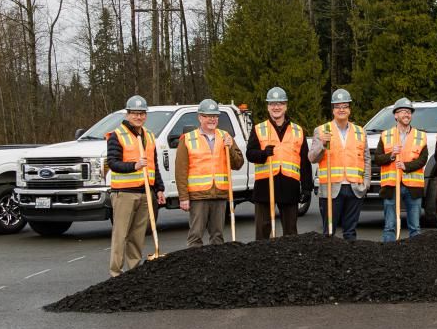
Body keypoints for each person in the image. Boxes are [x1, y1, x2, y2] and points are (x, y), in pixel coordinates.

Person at [106, 95, 165, 277]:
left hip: (145, 192)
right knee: (121, 234)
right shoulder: (117, 135)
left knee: (137, 235)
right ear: (128, 114)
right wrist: (134, 165)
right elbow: (113, 163)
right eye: (135, 113)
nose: (138, 117)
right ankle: (116, 273)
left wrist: (159, 188)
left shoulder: (149, 136)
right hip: (124, 193)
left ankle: (133, 272)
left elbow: (154, 165)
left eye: (142, 113)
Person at [175, 99, 244, 247]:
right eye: (208, 116)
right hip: (198, 196)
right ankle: (194, 260)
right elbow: (181, 171)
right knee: (195, 236)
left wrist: (230, 148)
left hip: (220, 194)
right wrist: (183, 197)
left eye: (215, 116)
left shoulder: (225, 136)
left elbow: (238, 164)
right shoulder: (187, 139)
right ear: (200, 117)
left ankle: (217, 262)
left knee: (217, 237)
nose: (212, 119)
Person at [246, 87, 313, 239]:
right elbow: (250, 154)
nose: (276, 107)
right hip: (265, 186)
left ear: (286, 106)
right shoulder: (259, 129)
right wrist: (263, 154)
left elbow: (304, 162)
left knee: (290, 233)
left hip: (290, 186)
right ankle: (262, 254)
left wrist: (307, 188)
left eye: (280, 103)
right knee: (262, 232)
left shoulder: (298, 130)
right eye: (272, 104)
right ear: (268, 107)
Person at [308, 89, 371, 240]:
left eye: (344, 106)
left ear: (349, 109)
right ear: (333, 110)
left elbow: (367, 159)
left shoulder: (360, 132)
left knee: (350, 233)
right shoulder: (322, 130)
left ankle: (350, 255)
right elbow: (312, 158)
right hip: (331, 189)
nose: (341, 110)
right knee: (329, 232)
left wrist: (366, 183)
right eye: (338, 106)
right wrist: (322, 144)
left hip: (354, 188)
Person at [374, 98, 428, 242]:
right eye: (403, 111)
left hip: (413, 186)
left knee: (415, 227)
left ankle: (415, 252)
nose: (406, 114)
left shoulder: (420, 136)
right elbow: (378, 159)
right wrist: (391, 155)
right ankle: (388, 251)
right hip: (391, 186)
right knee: (389, 226)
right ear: (395, 115)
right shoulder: (386, 135)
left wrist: (406, 166)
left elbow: (423, 159)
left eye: (409, 112)